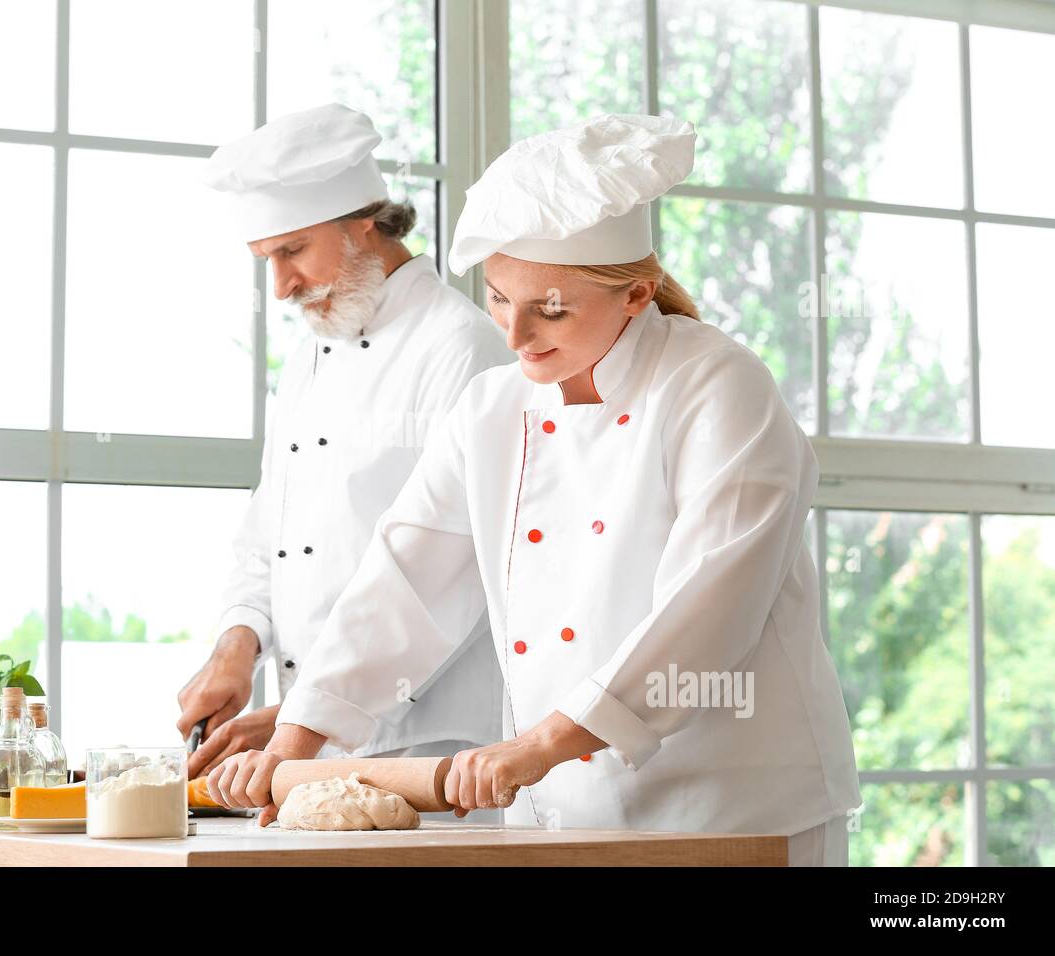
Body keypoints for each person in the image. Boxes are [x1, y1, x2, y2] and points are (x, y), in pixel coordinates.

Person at [207, 114, 862, 866]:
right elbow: (404, 580)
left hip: (730, 806)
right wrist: (298, 741)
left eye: (549, 309)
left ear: (636, 294)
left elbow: (712, 609)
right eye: (499, 301)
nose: (516, 337)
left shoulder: (717, 385)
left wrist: (542, 743)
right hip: (560, 810)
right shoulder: (493, 406)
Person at [175, 104, 512, 808]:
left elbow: (452, 576)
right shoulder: (307, 357)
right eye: (267, 261)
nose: (283, 287)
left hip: (430, 748)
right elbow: (269, 532)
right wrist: (238, 644)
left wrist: (310, 718)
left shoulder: (463, 346)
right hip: (303, 744)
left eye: (293, 252)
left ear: (365, 223)